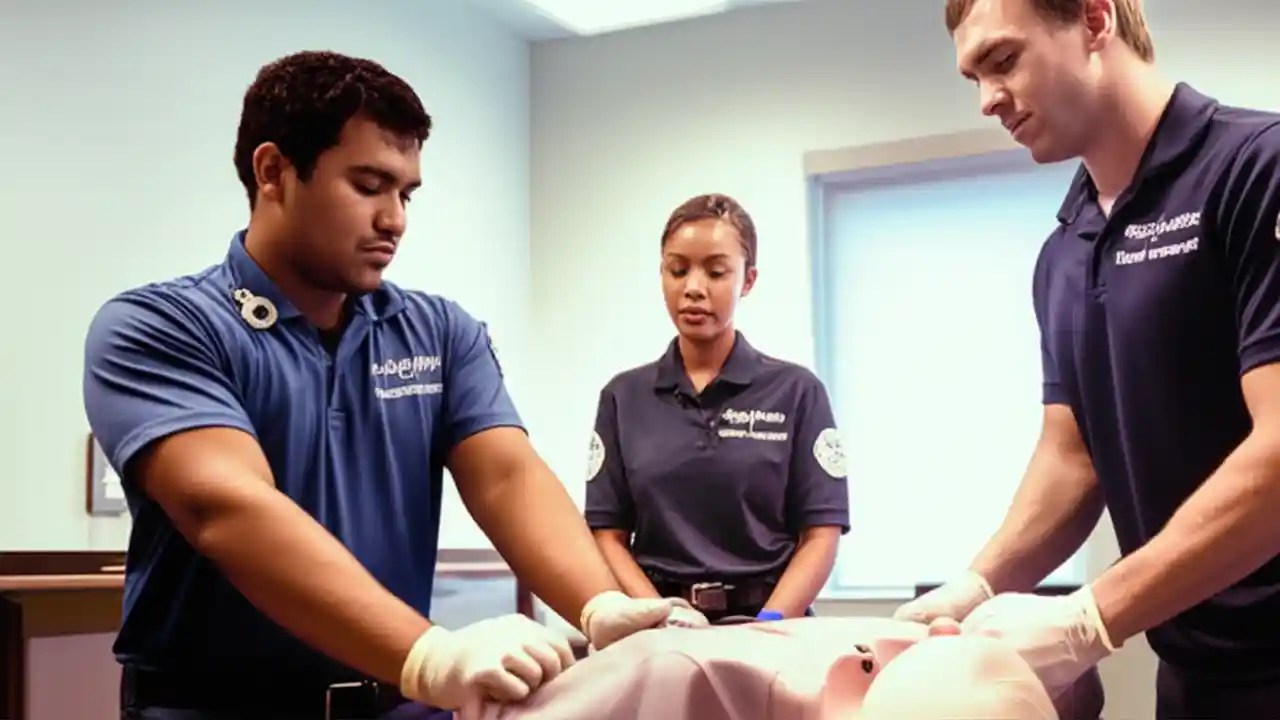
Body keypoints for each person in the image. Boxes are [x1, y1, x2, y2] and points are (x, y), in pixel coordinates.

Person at [82, 50, 673, 720]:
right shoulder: (160, 327)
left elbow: (507, 476)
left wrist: (599, 606)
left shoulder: (441, 333)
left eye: (406, 193)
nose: (395, 219)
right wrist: (431, 656)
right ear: (273, 172)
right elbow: (229, 510)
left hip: (398, 706)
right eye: (369, 186)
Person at [894, 0, 1280, 715]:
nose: (986, 100)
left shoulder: (1257, 168)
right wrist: (979, 584)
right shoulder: (1064, 251)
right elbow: (1072, 457)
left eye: (1003, 60)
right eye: (972, 75)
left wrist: (1089, 616)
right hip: (1193, 675)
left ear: (1096, 20)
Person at [584, 193, 851, 627]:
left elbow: (821, 534)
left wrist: (770, 624)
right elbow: (607, 535)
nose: (693, 287)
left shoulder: (797, 392)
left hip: (772, 629)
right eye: (678, 269)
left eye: (715, 271)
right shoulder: (622, 397)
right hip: (659, 630)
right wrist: (658, 618)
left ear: (747, 281)